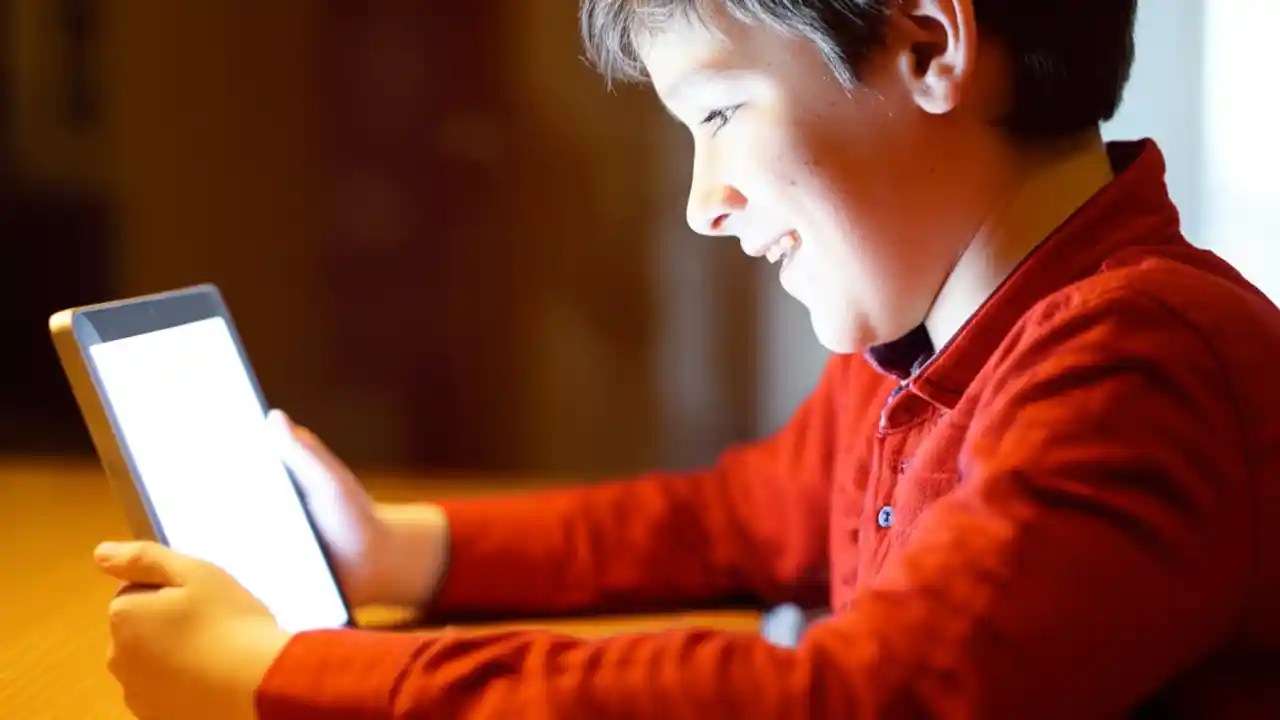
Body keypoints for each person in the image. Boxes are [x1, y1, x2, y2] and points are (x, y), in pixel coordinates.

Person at [93, 0, 1280, 718]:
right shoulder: (928, 351)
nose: (700, 205)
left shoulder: (1135, 364)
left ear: (927, 44)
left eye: (716, 116)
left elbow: (871, 700)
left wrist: (289, 680)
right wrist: (410, 549)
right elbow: (723, 522)